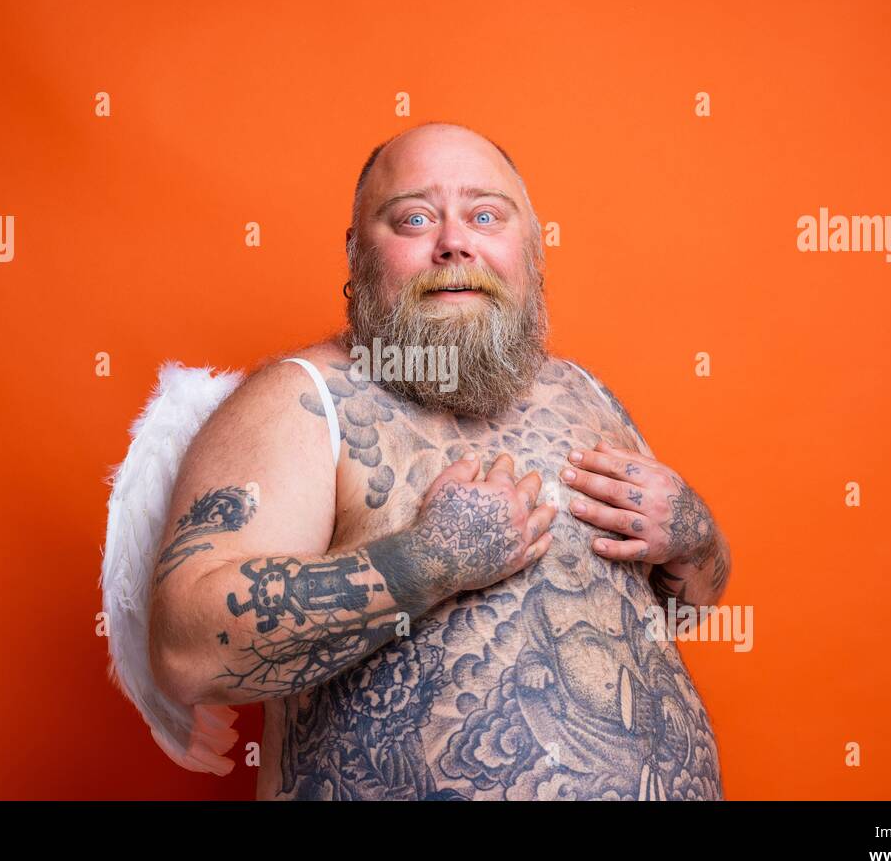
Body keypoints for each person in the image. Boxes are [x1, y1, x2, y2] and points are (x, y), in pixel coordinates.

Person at [148, 121, 731, 800]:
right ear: (357, 252)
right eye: (414, 218)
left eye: (485, 215)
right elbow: (185, 651)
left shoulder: (586, 394)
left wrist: (696, 537)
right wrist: (426, 561)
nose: (454, 242)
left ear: (531, 248)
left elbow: (680, 611)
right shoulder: (304, 401)